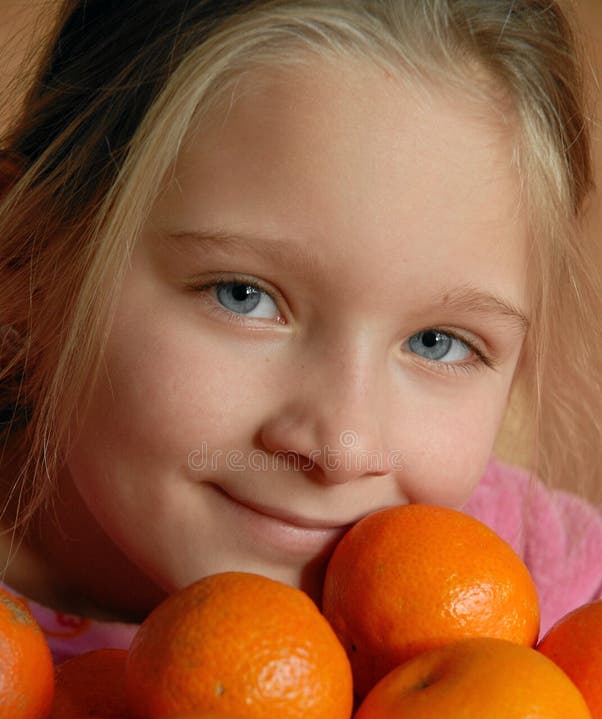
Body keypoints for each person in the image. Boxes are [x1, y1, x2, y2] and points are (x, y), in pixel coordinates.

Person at [0, 0, 600, 662]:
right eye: (244, 296)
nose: (340, 448)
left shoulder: (565, 607)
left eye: (439, 342)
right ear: (22, 260)